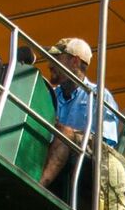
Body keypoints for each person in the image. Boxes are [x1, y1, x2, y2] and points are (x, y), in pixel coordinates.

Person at [38, 37, 119, 192]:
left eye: (56, 59)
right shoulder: (51, 94)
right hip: (56, 143)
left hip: (90, 155)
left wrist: (67, 132)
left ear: (74, 62)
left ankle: (39, 186)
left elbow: (105, 141)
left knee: (64, 133)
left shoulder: (98, 95)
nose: (49, 64)